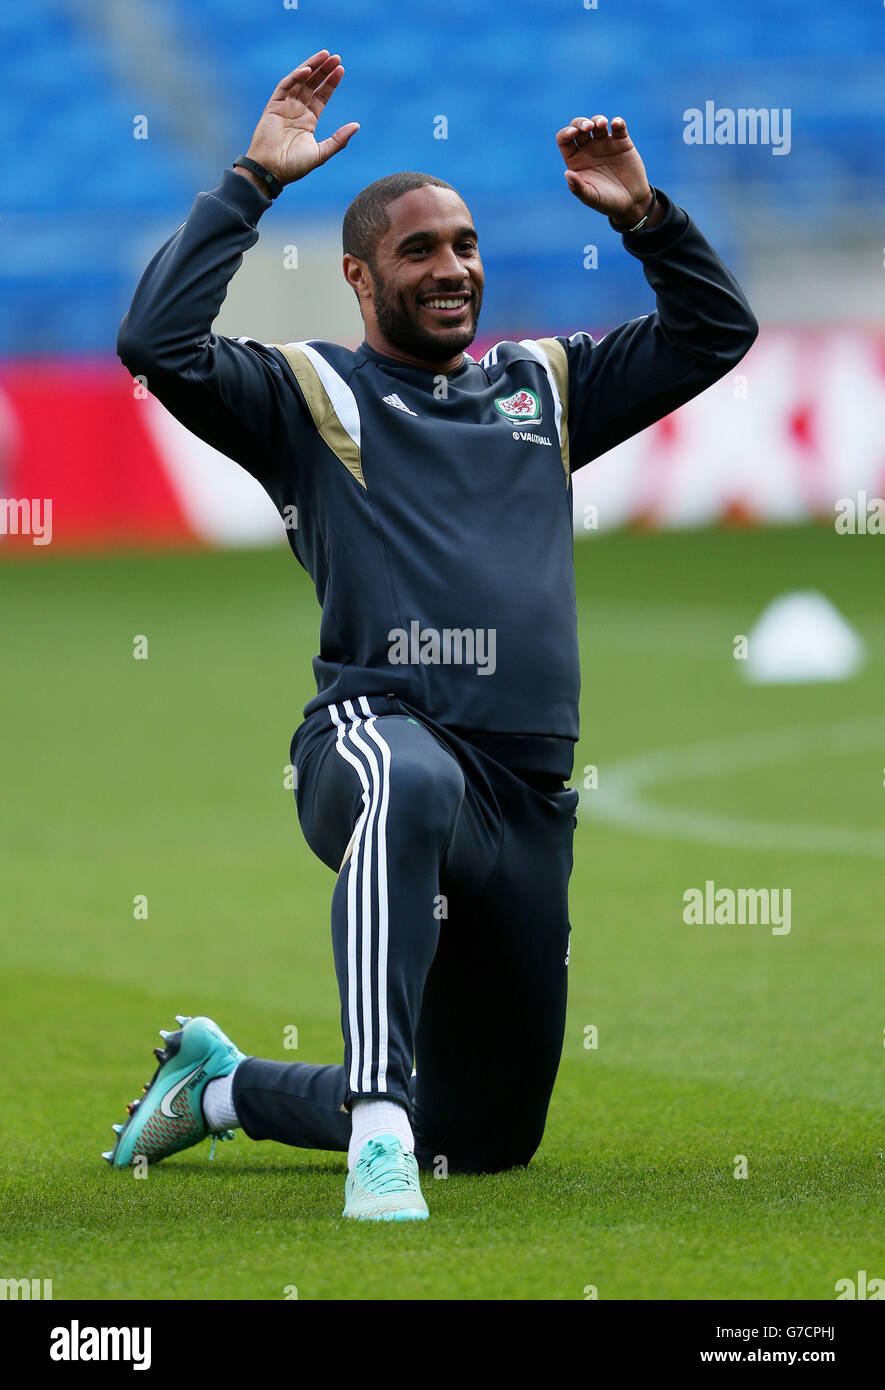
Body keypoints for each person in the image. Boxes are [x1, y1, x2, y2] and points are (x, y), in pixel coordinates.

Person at [107, 50, 758, 1221]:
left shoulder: (544, 384)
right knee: (405, 779)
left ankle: (224, 1089)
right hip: (375, 739)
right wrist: (253, 179)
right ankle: (374, 1138)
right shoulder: (312, 398)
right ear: (360, 277)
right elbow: (158, 344)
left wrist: (647, 217)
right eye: (421, 250)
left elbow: (716, 332)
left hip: (526, 796)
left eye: (463, 245)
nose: (453, 267)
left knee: (487, 1135)